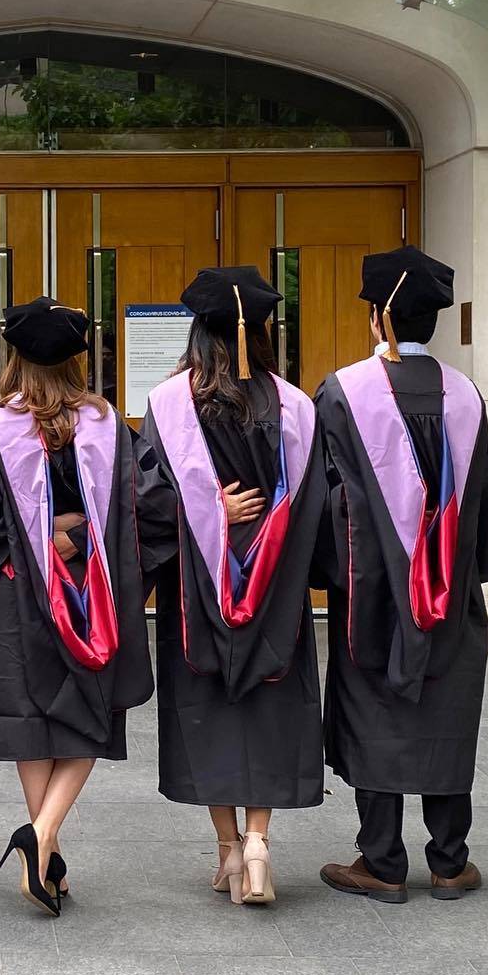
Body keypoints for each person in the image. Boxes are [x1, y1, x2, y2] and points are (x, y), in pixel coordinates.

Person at [0, 297, 177, 917]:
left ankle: (41, 838)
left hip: (15, 596)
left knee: (30, 718)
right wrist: (79, 539)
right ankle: (45, 840)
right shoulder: (110, 427)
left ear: (14, 359)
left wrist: (31, 544)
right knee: (89, 711)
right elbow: (154, 510)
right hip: (95, 594)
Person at [140, 266, 328, 907]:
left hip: (198, 586)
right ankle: (258, 843)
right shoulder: (295, 407)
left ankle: (226, 850)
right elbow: (315, 508)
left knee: (209, 708)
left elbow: (149, 500)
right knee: (268, 709)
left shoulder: (168, 405)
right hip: (275, 590)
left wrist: (211, 507)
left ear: (197, 332)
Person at [315, 245, 488, 903]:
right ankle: (450, 861)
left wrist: (336, 567)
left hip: (373, 591)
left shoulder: (343, 393)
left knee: (374, 704)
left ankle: (382, 861)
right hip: (450, 589)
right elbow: (484, 498)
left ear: (378, 317)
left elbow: (326, 494)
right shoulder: (467, 397)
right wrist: (462, 571)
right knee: (446, 704)